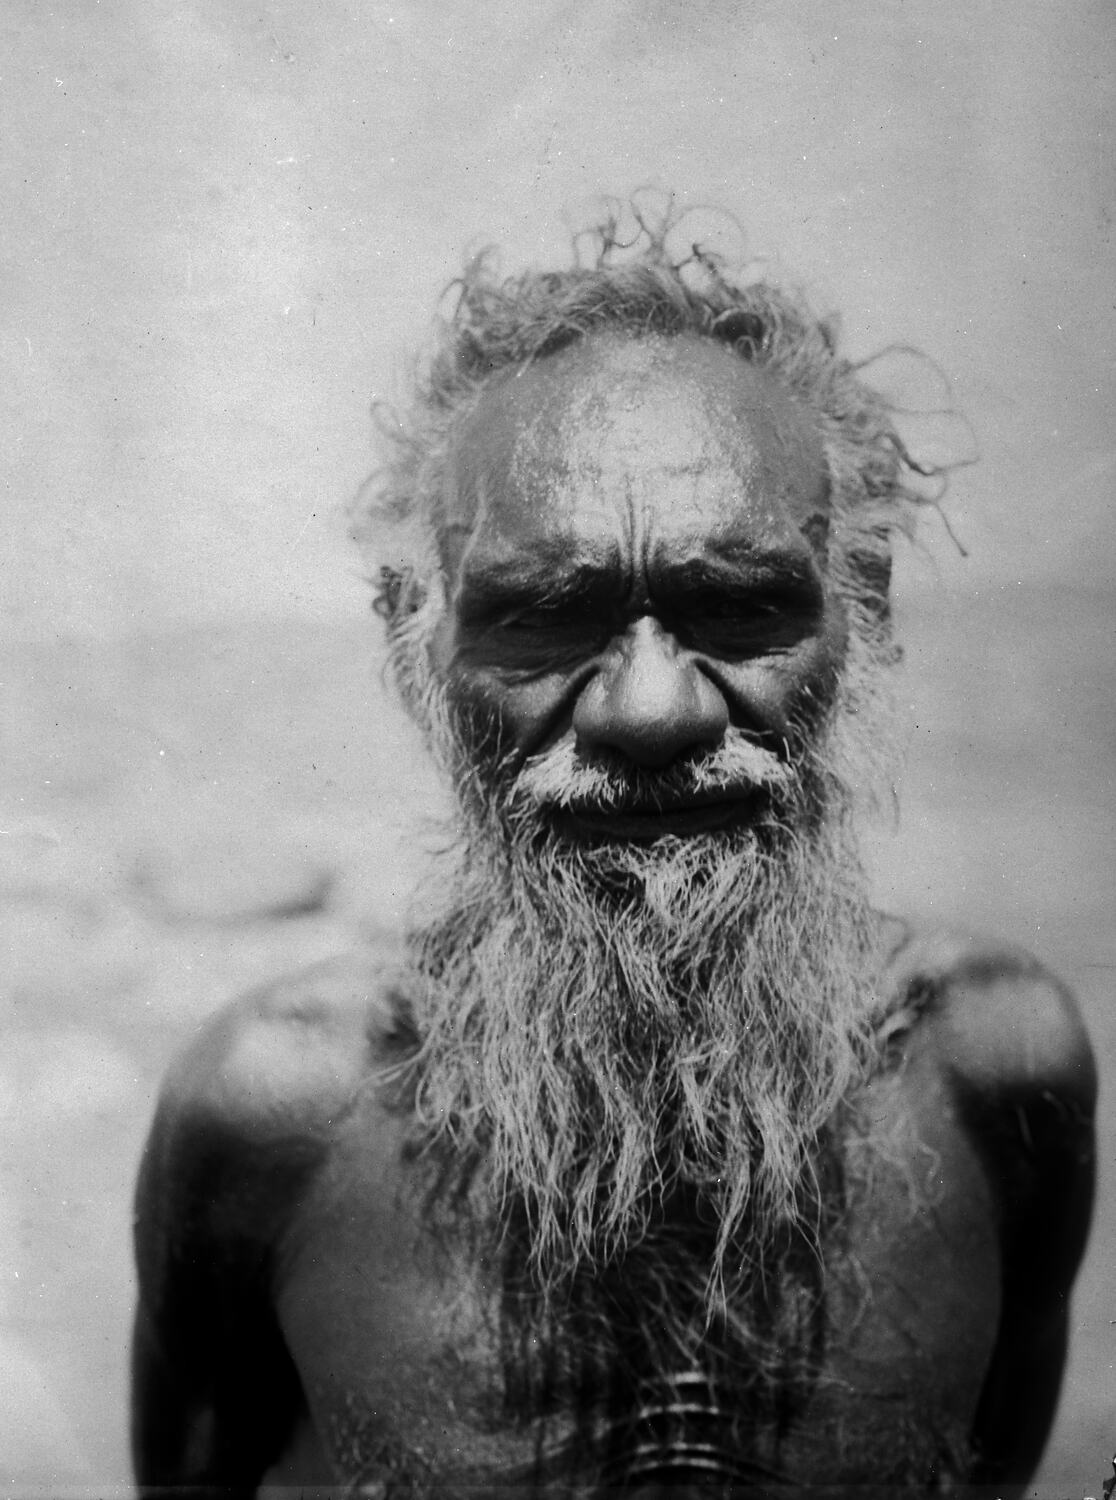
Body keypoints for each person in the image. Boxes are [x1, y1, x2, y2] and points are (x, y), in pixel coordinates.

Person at [131, 208, 1096, 1496]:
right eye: (542, 619)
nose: (650, 714)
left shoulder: (996, 1062)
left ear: (860, 613)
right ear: (411, 639)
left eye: (742, 608)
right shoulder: (273, 1111)